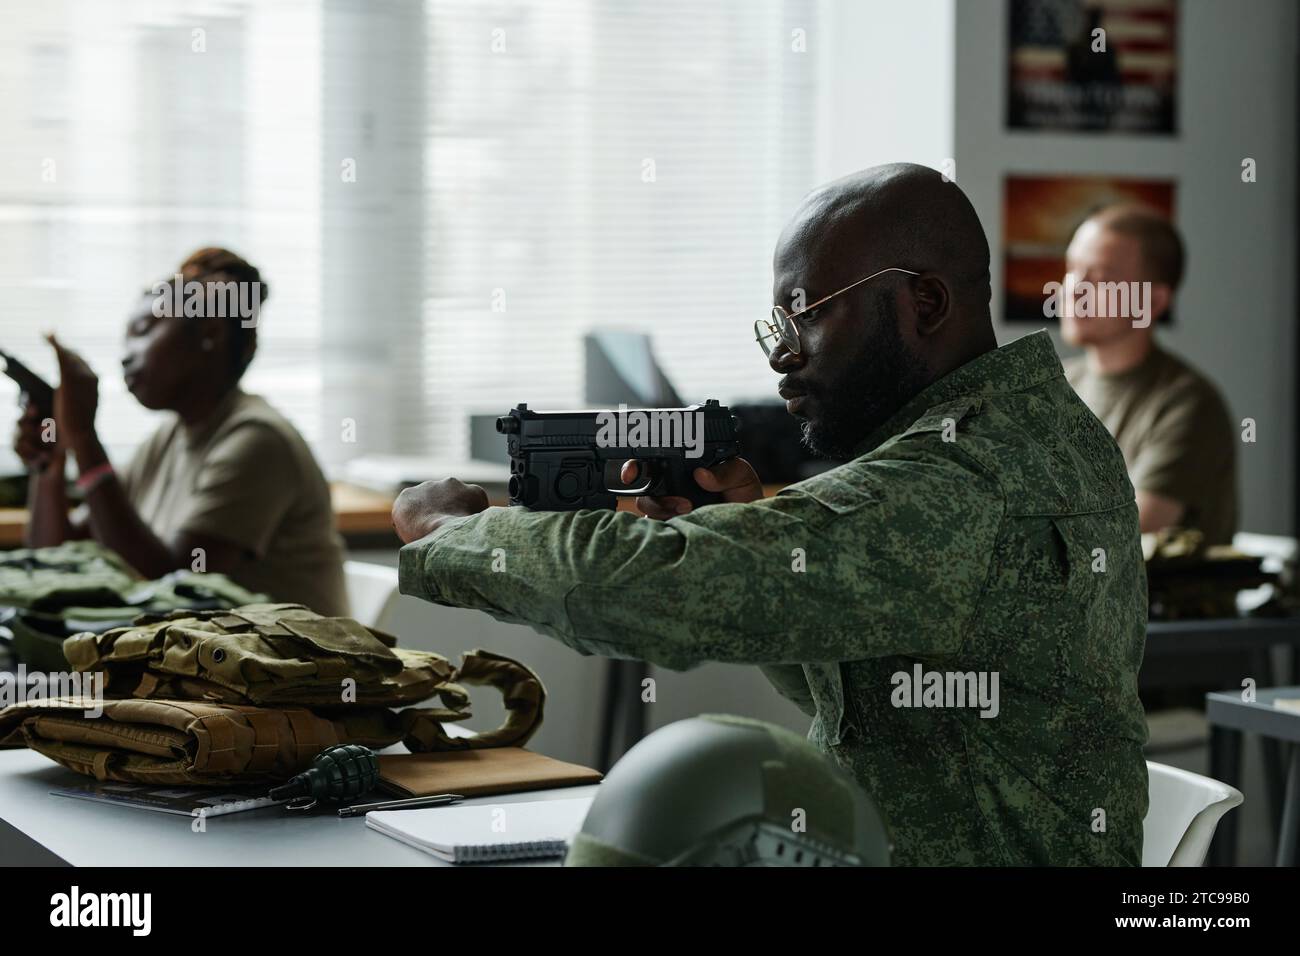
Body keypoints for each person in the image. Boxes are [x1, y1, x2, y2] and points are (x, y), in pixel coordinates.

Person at [391, 163, 1149, 866]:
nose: (782, 354)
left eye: (806, 315)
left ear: (924, 303)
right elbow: (881, 689)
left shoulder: (964, 472)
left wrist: (460, 534)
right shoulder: (1024, 430)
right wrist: (760, 532)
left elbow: (659, 588)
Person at [14, 247, 348, 616]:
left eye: (143, 330)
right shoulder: (168, 439)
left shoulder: (258, 440)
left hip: (303, 671)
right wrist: (52, 463)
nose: (126, 354)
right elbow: (57, 554)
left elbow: (175, 588)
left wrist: (85, 439)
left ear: (210, 332)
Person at [1062, 204, 1237, 544]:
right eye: (1071, 269)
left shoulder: (1188, 404)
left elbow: (1124, 530)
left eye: (1099, 277)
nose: (1073, 289)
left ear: (1152, 302)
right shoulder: (1054, 386)